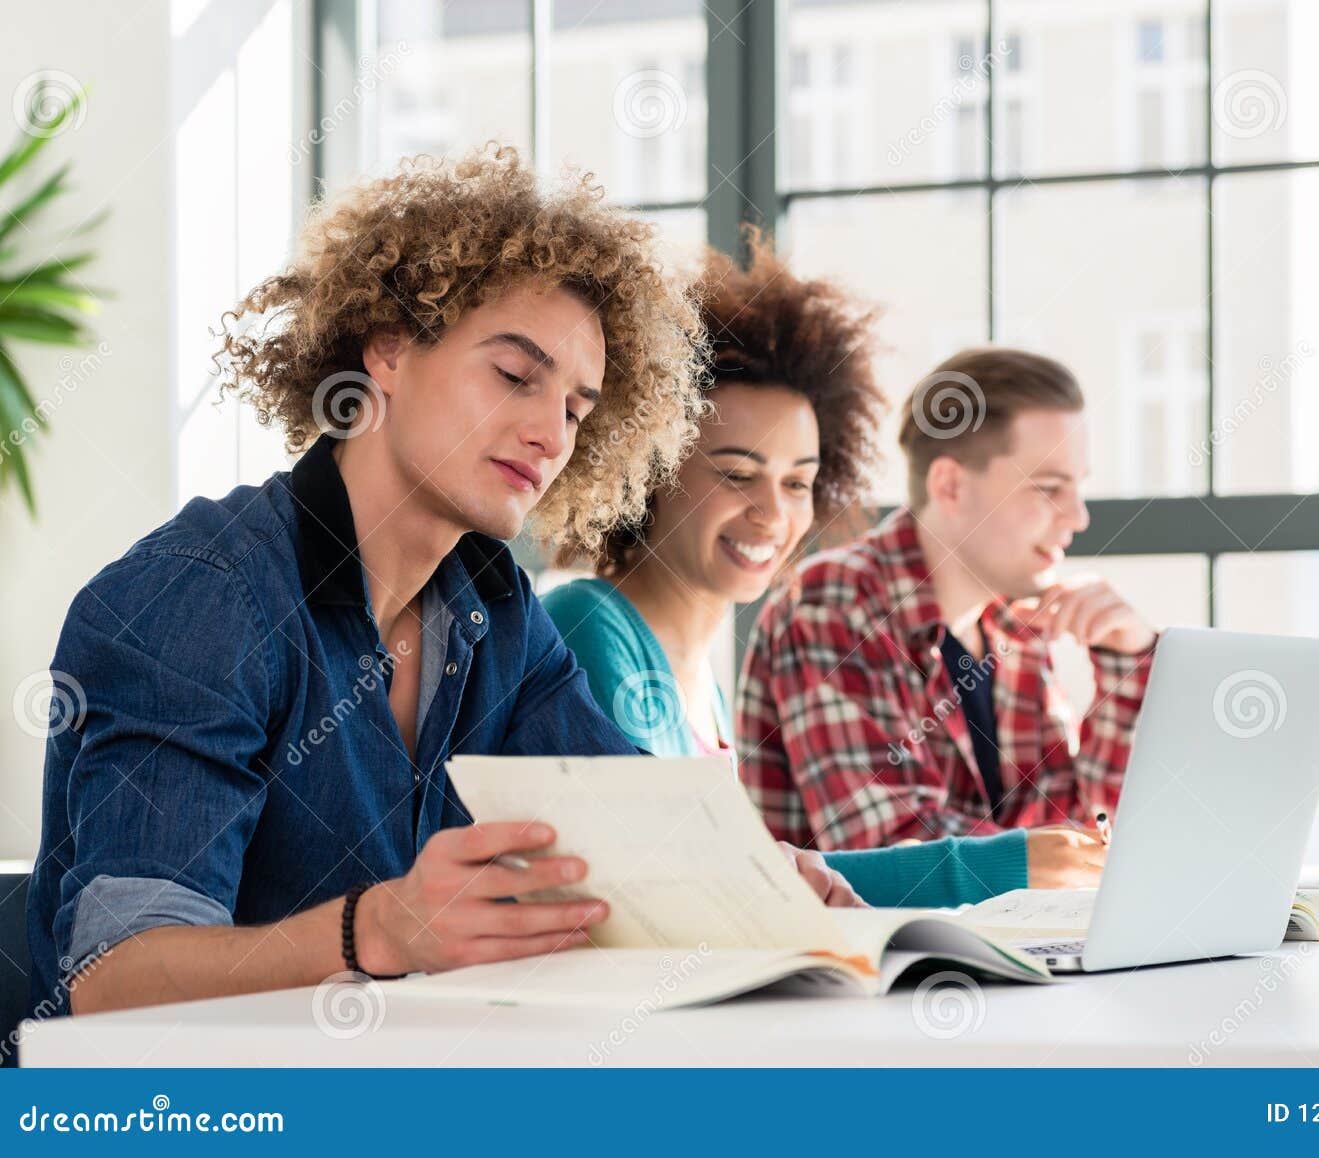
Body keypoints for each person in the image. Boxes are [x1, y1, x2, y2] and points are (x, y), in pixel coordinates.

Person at [24, 146, 854, 1018]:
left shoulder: (496, 610)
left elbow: (637, 843)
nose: (549, 433)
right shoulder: (202, 596)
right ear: (386, 350)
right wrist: (375, 931)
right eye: (513, 377)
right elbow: (111, 980)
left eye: (576, 407)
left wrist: (759, 878)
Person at [545, 238, 1106, 907]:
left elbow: (745, 880)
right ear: (652, 470)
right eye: (737, 475)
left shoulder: (699, 683)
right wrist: (1020, 862)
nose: (771, 515)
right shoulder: (590, 628)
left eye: (798, 483)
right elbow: (680, 892)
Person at [738, 346, 1158, 854]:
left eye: (1077, 489)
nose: (1078, 517)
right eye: (1049, 488)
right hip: (872, 936)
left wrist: (1127, 662)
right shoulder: (833, 604)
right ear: (951, 486)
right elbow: (896, 849)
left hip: (999, 936)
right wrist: (1069, 851)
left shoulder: (1013, 625)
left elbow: (1090, 830)